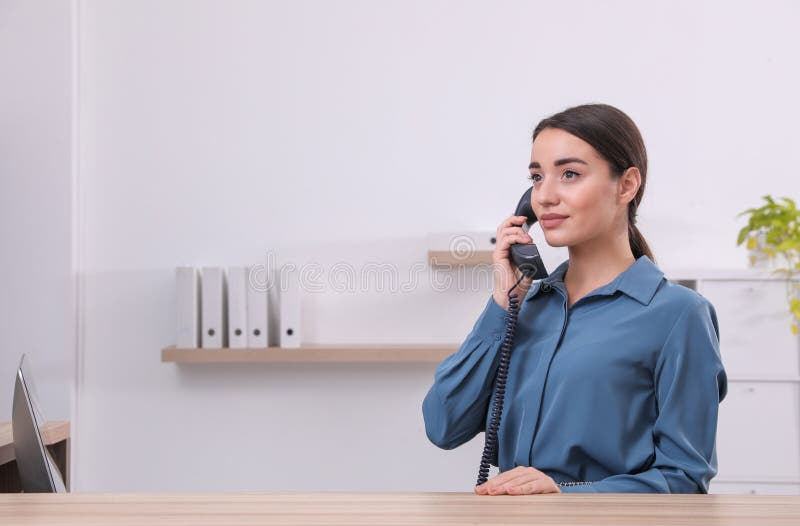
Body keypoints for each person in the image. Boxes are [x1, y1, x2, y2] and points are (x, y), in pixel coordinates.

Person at [422, 103, 728, 494]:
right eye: (536, 177)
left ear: (626, 185)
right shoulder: (522, 309)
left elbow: (684, 479)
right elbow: (443, 425)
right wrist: (502, 303)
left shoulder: (679, 315)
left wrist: (564, 495)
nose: (545, 196)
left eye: (569, 174)